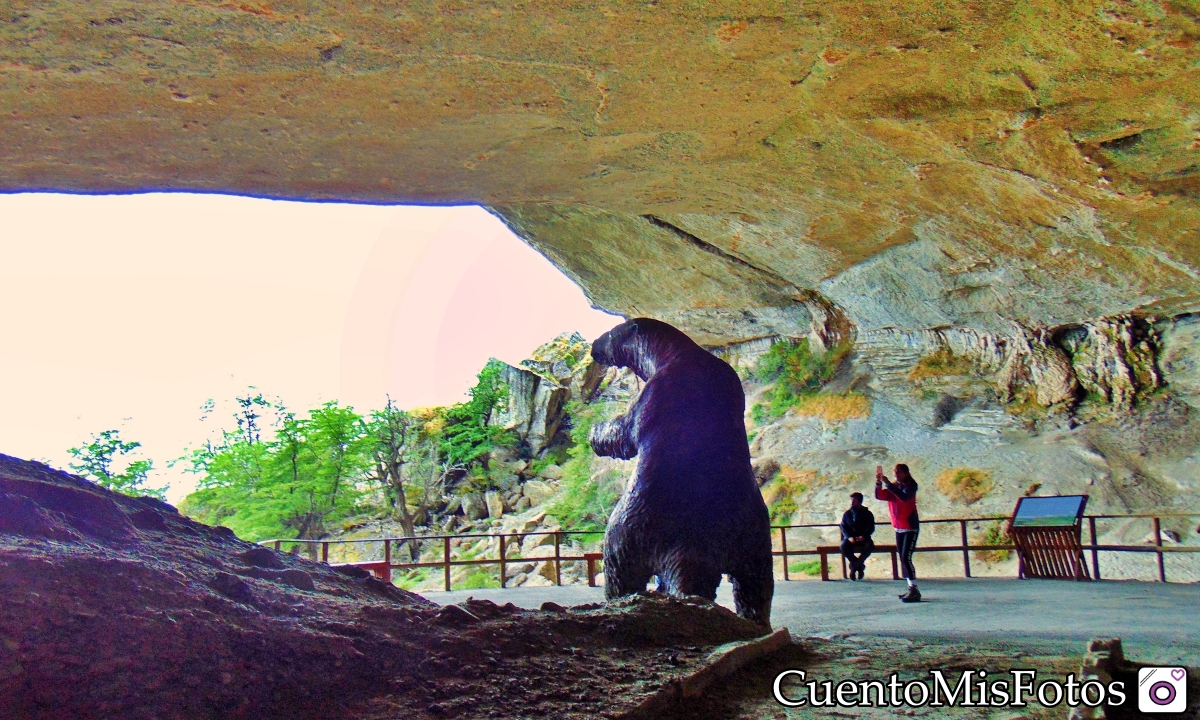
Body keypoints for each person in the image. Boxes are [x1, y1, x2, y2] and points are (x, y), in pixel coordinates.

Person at [875, 463, 921, 602]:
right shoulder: (895, 486)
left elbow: (904, 497)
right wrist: (878, 483)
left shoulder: (911, 485)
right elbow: (880, 496)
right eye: (895, 472)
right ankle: (910, 587)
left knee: (906, 557)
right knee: (902, 557)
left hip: (910, 526)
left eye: (899, 472)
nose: (896, 474)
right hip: (899, 527)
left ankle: (914, 590)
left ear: (906, 473)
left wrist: (888, 483)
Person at [839, 492, 875, 581]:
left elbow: (871, 527)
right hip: (851, 538)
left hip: (864, 538)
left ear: (859, 501)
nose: (852, 502)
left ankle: (854, 567)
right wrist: (849, 537)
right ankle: (860, 566)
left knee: (869, 546)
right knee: (843, 546)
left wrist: (864, 536)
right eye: (851, 500)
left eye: (854, 500)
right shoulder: (847, 514)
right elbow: (843, 527)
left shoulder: (868, 513)